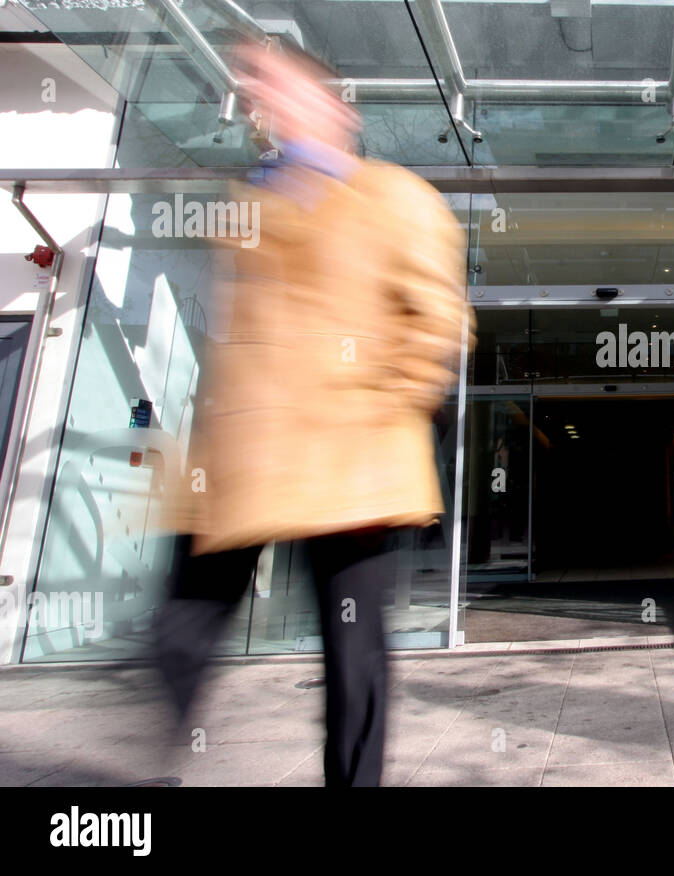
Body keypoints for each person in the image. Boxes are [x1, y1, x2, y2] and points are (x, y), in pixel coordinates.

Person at [152, 40, 471, 786]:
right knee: (180, 631)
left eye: (274, 84)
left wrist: (386, 411)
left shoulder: (395, 196)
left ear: (334, 108)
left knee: (352, 652)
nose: (260, 100)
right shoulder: (250, 202)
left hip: (349, 465)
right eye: (254, 87)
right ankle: (148, 770)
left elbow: (437, 321)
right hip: (243, 465)